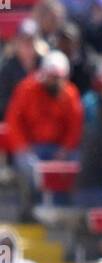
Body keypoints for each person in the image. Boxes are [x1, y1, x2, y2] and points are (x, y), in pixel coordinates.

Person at [5, 50, 83, 219]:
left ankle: (63, 211)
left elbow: (75, 127)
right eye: (51, 77)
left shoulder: (70, 94)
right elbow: (13, 121)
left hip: (58, 149)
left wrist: (64, 149)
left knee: (74, 161)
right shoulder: (27, 88)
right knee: (30, 166)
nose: (55, 81)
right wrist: (24, 147)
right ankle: (31, 209)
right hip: (31, 147)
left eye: (59, 77)